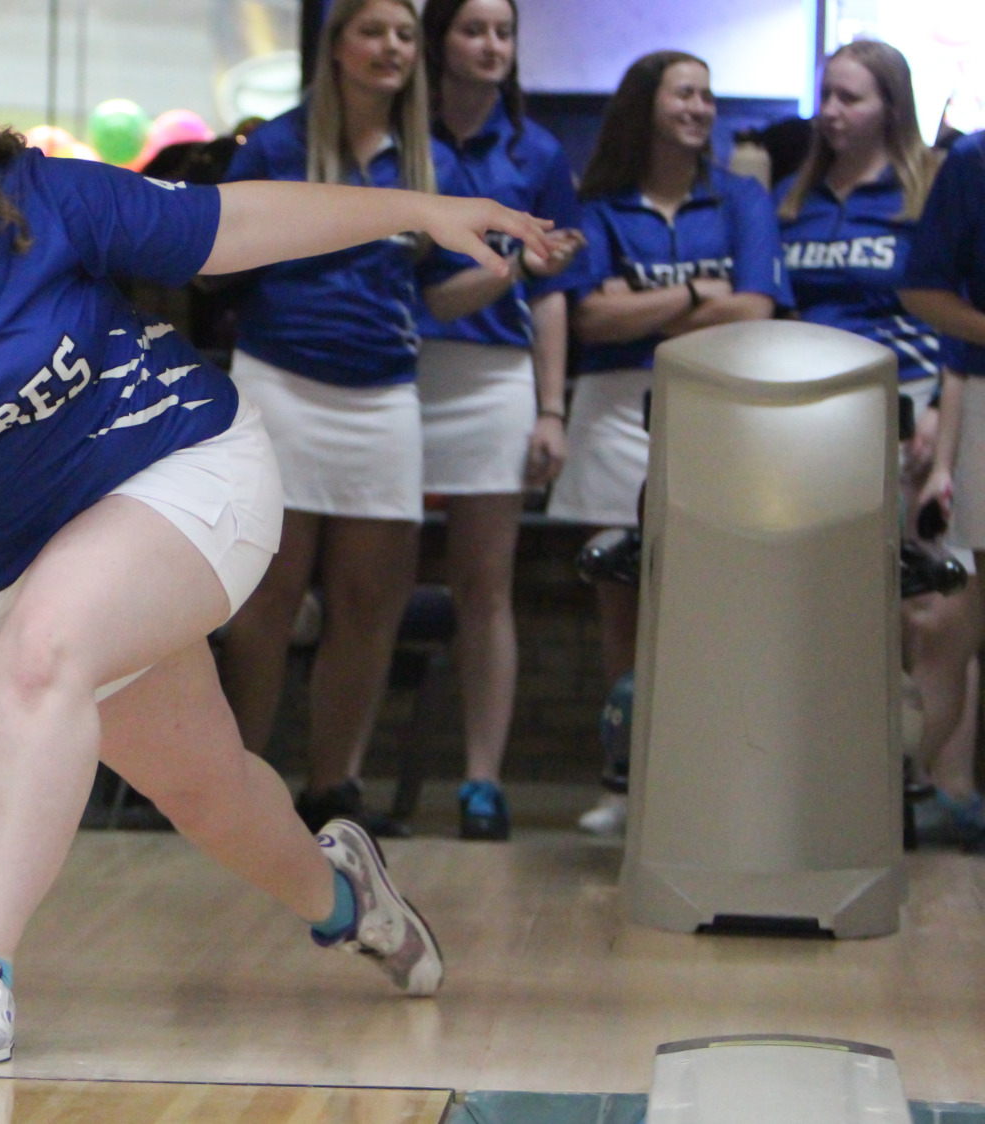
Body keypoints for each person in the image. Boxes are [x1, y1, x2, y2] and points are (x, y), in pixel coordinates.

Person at [0, 44, 550, 1065]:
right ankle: (347, 897)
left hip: (189, 475)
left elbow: (230, 226)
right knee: (208, 793)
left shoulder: (40, 205)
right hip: (38, 569)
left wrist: (417, 209)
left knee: (40, 653)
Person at [216, 0, 575, 838]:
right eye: (373, 31)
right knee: (269, 597)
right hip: (279, 384)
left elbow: (439, 299)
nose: (391, 48)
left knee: (368, 604)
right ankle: (234, 785)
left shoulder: (429, 162)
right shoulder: (276, 145)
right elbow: (212, 258)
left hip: (383, 396)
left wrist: (516, 269)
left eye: (405, 35)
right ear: (337, 46)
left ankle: (331, 789)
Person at [548, 51, 789, 835]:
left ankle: (712, 784)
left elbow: (755, 307)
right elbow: (590, 319)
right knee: (624, 610)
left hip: (722, 409)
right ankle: (627, 785)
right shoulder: (598, 204)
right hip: (617, 413)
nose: (700, 108)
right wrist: (694, 291)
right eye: (685, 93)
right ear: (644, 106)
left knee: (716, 608)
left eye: (707, 96)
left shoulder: (743, 196)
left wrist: (644, 305)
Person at [778, 42, 976, 847]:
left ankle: (931, 783)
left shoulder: (927, 186)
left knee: (930, 611)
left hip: (912, 409)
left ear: (891, 106)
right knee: (833, 616)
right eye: (826, 95)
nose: (832, 112)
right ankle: (838, 787)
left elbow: (950, 307)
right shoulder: (794, 199)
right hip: (810, 423)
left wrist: (937, 419)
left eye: (851, 98)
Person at [414, 0, 585, 839]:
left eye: (504, 32)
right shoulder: (401, 140)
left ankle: (482, 782)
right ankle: (342, 781)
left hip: (493, 381)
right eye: (473, 29)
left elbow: (551, 294)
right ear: (440, 40)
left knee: (485, 588)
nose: (491, 45)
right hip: (392, 372)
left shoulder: (537, 152)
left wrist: (552, 409)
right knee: (367, 589)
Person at [903, 124, 985, 849]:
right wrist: (945, 463)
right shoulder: (974, 162)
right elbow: (923, 289)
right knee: (951, 622)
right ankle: (900, 789)